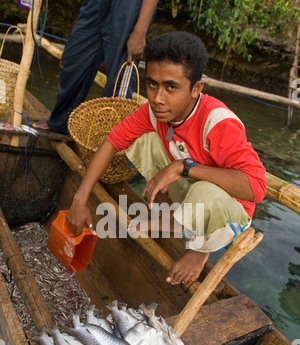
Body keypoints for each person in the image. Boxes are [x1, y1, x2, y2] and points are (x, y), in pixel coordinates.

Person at [66, 31, 267, 286]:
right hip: (191, 192)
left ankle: (199, 249)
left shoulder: (217, 122)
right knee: (141, 139)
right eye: (152, 84)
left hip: (227, 212)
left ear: (196, 88)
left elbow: (257, 189)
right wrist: (80, 198)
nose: (158, 98)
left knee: (204, 190)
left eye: (171, 87)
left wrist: (183, 166)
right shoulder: (152, 112)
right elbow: (113, 141)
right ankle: (172, 217)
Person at [33, 0, 158, 134]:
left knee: (118, 81)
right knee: (73, 60)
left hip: (128, 8)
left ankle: (107, 138)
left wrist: (139, 32)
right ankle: (61, 120)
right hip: (97, 4)